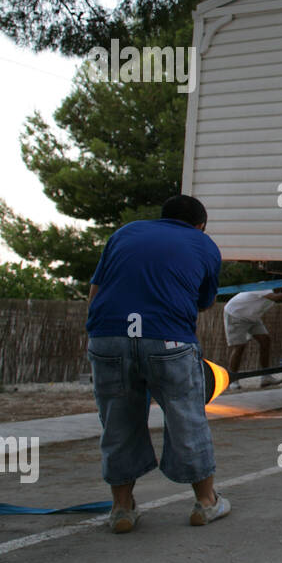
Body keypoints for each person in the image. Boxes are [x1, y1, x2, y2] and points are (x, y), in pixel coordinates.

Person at [86, 194, 227, 533]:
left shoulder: (124, 233)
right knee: (186, 416)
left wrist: (102, 338)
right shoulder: (204, 245)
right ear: (201, 225)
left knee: (117, 420)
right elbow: (202, 303)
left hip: (109, 335)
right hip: (167, 340)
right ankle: (205, 503)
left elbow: (95, 290)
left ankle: (121, 508)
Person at [224, 284, 282, 385]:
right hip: (236, 314)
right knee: (239, 347)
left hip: (252, 317)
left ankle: (266, 376)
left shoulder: (281, 288)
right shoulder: (263, 286)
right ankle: (232, 379)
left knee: (265, 341)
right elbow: (276, 297)